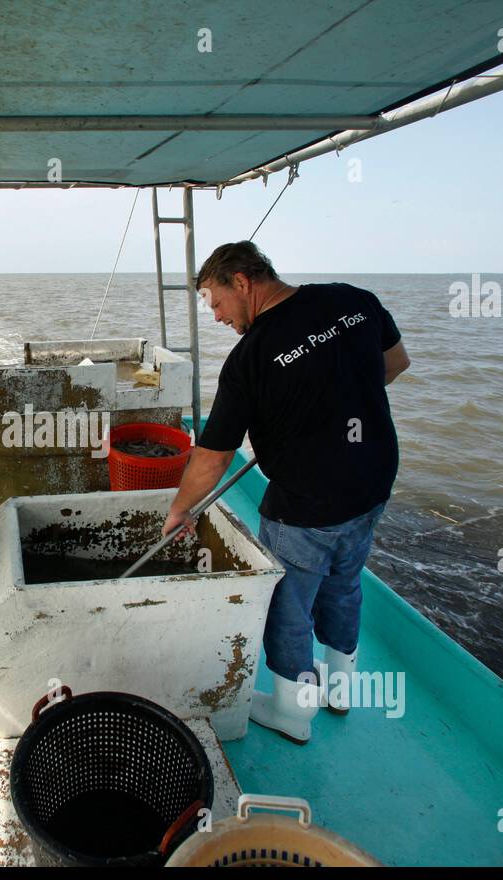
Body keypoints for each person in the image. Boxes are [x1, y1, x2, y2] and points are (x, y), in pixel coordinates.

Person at [163, 241, 410, 744]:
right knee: (344, 581)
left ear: (242, 282)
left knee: (288, 603)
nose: (214, 316)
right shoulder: (352, 300)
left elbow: (211, 457)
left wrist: (179, 509)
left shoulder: (249, 359)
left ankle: (293, 712)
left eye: (214, 301)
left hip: (306, 502)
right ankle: (340, 688)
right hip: (373, 480)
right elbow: (395, 363)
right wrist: (339, 404)